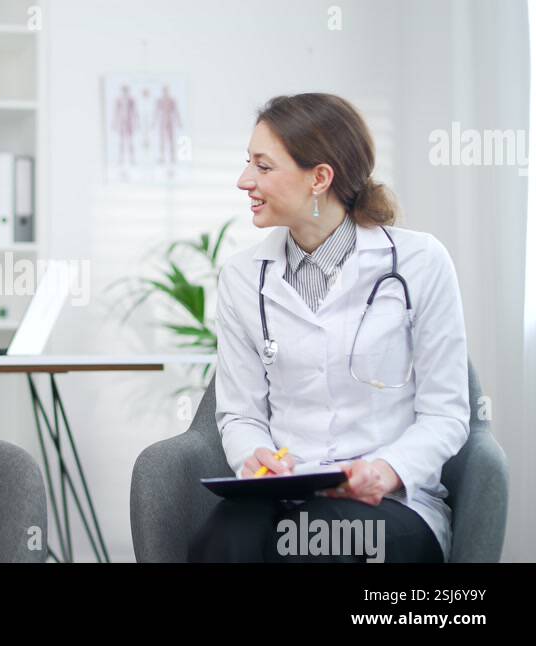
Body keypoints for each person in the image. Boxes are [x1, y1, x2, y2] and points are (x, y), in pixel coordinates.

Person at [189, 93, 469, 563]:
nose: (244, 181)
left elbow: (447, 414)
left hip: (389, 501)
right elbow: (239, 414)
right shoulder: (242, 277)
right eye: (247, 164)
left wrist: (386, 470)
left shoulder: (421, 262)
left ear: (319, 178)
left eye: (263, 166)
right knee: (218, 545)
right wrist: (254, 455)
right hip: (284, 495)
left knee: (309, 549)